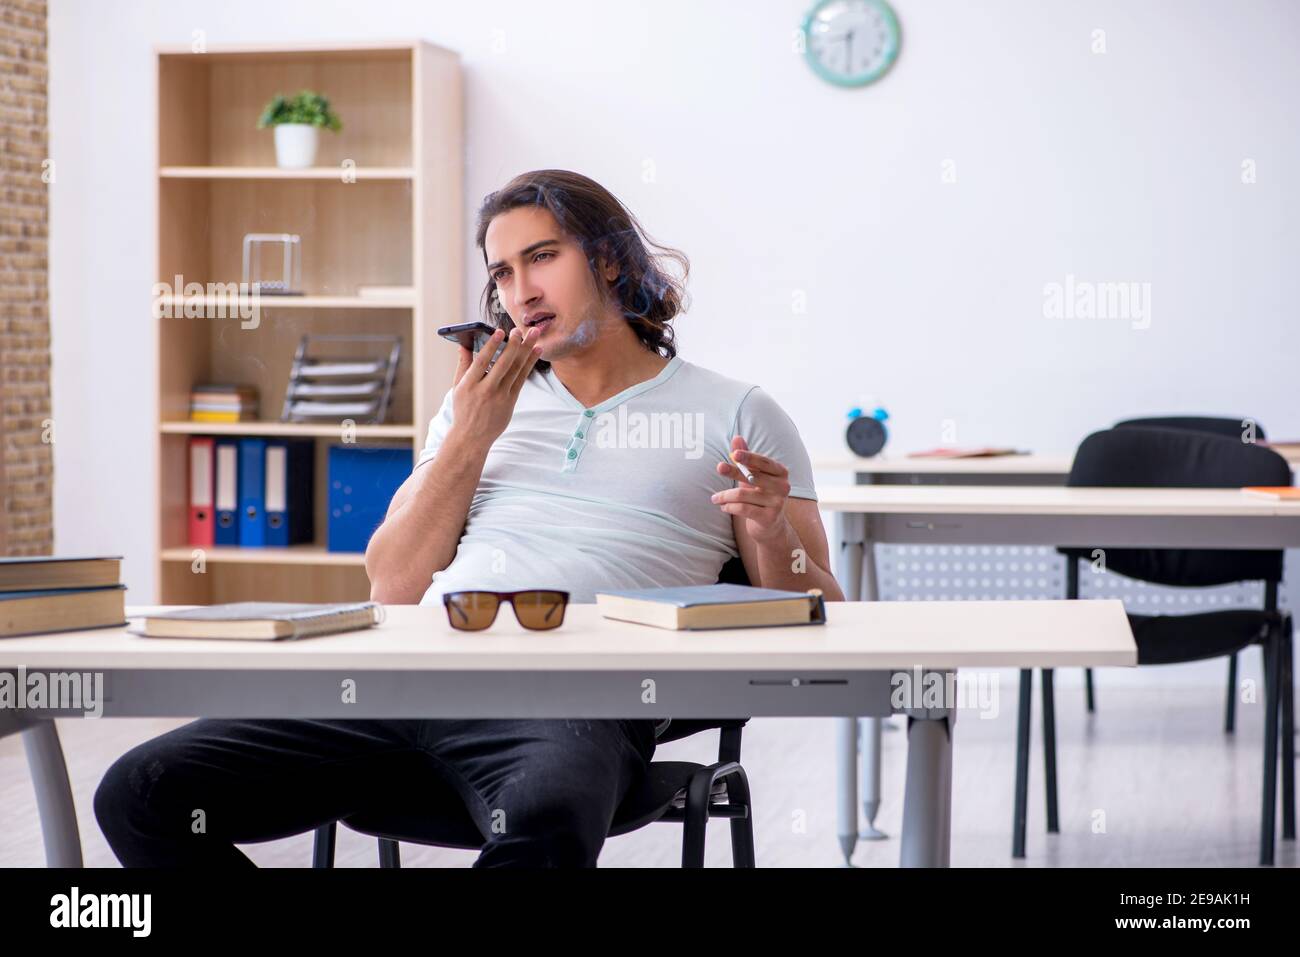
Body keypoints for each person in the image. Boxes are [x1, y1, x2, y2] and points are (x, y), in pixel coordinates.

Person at [95, 170, 843, 868]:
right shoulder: (475, 405)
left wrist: (774, 530)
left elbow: (822, 612)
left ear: (611, 263)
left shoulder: (737, 411)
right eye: (502, 273)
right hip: (403, 679)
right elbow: (391, 582)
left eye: (542, 258)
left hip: (579, 699)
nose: (520, 290)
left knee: (545, 818)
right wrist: (472, 435)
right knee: (141, 792)